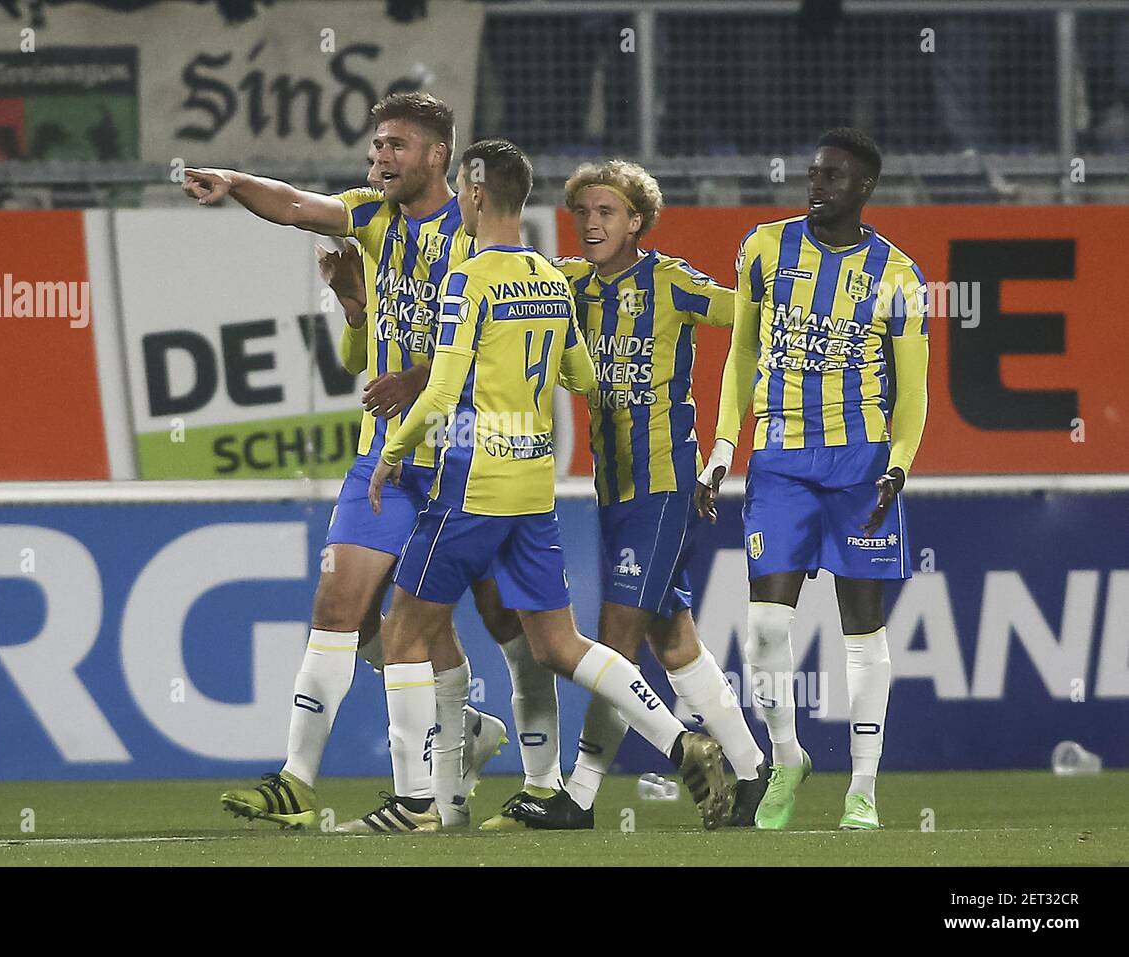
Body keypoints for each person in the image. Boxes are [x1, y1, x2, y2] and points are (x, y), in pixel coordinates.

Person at [337, 139, 733, 833]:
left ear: (479, 194)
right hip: (533, 486)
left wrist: (393, 453)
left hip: (473, 483)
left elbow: (440, 391)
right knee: (558, 644)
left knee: (401, 635)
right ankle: (680, 740)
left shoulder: (469, 278)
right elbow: (581, 376)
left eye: (463, 189)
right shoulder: (551, 277)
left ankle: (413, 803)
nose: (459, 199)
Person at [182, 93, 556, 826]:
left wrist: (419, 378)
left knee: (466, 622)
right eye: (375, 146)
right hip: (383, 457)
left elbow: (499, 346)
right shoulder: (373, 217)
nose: (378, 158)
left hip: (462, 460)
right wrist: (233, 182)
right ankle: (299, 779)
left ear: (438, 155)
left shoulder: (480, 235)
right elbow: (294, 206)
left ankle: (486, 766)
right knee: (342, 610)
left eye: (395, 146)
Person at [502, 160, 769, 832]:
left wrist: (780, 287)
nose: (592, 224)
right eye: (583, 212)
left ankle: (582, 796)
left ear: (636, 222)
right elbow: (499, 291)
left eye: (607, 213)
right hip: (613, 489)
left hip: (663, 486)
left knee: (614, 643)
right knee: (672, 636)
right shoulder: (563, 284)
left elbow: (750, 321)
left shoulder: (673, 282)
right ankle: (752, 768)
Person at [697, 128, 930, 830]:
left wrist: (897, 466)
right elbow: (741, 353)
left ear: (863, 187)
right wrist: (721, 449)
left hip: (861, 467)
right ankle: (787, 755)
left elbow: (913, 392)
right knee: (766, 626)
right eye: (813, 172)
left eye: (833, 176)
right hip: (780, 464)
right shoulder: (763, 249)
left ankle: (862, 787)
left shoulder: (898, 276)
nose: (817, 184)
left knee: (862, 629)